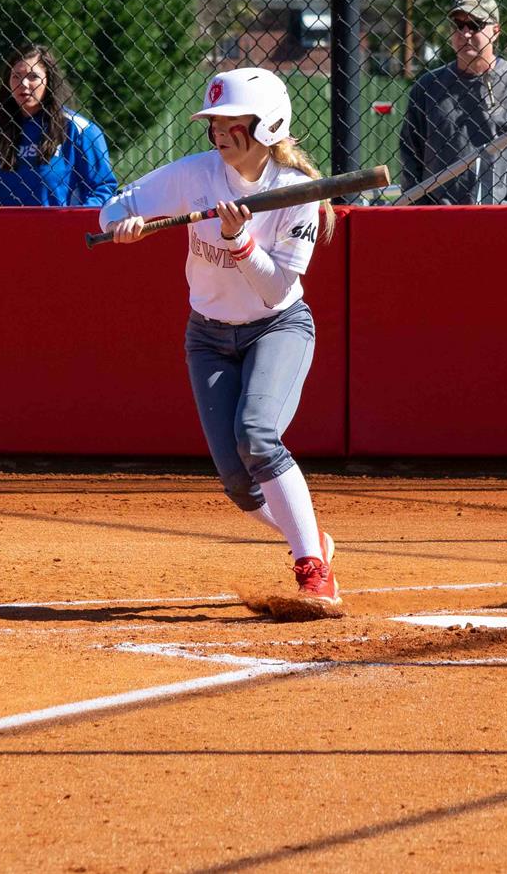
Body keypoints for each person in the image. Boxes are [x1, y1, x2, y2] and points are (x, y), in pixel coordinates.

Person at [97, 66, 341, 612]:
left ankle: (313, 569)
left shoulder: (295, 192)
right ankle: (310, 538)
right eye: (214, 123)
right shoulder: (196, 174)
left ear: (267, 125)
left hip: (276, 326)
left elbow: (276, 287)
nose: (218, 133)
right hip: (207, 335)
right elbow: (118, 204)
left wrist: (238, 241)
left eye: (232, 123)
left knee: (256, 436)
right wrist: (123, 224)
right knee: (236, 481)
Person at [398, 0, 507, 204]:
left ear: (496, 31)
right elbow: (410, 156)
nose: (465, 33)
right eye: (458, 25)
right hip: (440, 220)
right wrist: (424, 209)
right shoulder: (427, 87)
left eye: (475, 25)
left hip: (501, 219)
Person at [0, 44, 118, 206]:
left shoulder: (79, 129)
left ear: (49, 80)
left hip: (56, 235)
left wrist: (73, 220)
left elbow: (102, 188)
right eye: (16, 76)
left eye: (33, 76)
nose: (23, 84)